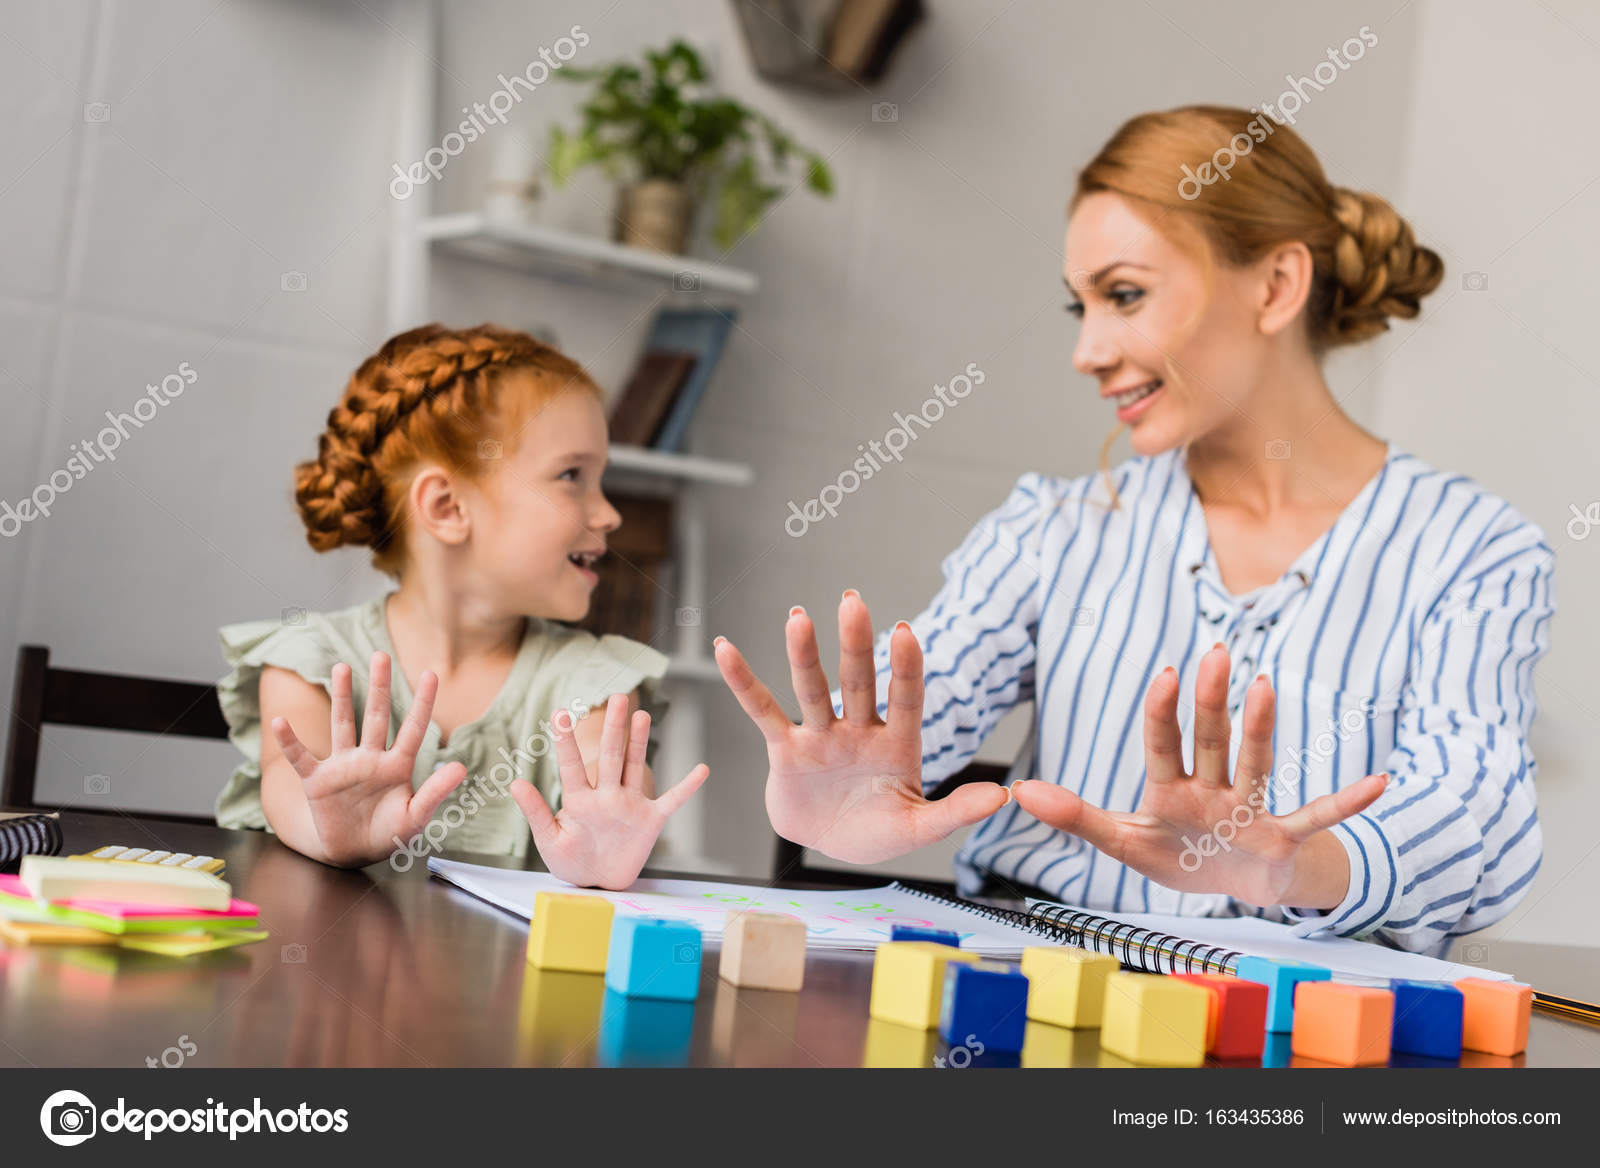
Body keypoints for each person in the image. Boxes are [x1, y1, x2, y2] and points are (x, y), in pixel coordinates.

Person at [714, 106, 1552, 956]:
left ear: (1276, 286)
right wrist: (852, 787)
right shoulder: (1054, 529)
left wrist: (1296, 868)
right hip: (1022, 986)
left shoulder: (1473, 549)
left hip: (1301, 1037)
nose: (1088, 351)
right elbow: (925, 705)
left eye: (1124, 295)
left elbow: (1478, 815)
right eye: (1079, 307)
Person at [215, 324, 707, 887]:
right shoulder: (311, 664)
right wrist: (330, 829)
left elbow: (606, 783)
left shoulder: (593, 684)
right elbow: (291, 787)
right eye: (572, 476)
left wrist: (608, 840)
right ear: (447, 507)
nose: (609, 514)